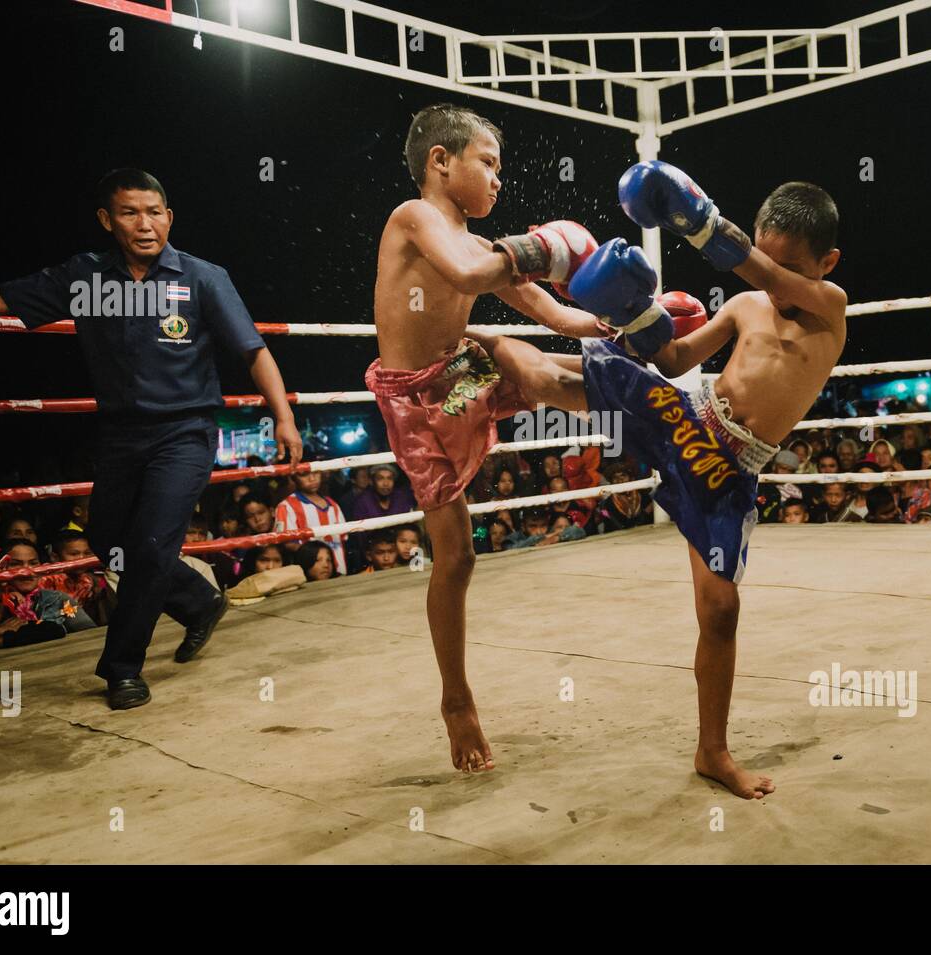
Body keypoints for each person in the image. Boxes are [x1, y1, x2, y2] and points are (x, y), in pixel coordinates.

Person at [486, 169, 847, 798]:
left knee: (721, 611)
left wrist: (698, 220)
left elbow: (766, 275)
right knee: (550, 385)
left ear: (828, 263)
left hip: (729, 472)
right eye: (764, 252)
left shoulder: (830, 307)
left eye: (789, 265)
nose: (771, 274)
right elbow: (678, 360)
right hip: (692, 422)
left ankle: (712, 752)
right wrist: (637, 314)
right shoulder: (744, 306)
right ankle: (480, 343)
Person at [0, 168, 303, 709]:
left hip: (186, 433)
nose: (144, 225)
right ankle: (196, 602)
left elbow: (253, 351)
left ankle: (122, 667)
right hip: (120, 437)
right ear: (107, 220)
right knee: (109, 543)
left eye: (154, 212)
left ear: (169, 217)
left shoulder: (203, 277)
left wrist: (282, 417)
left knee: (148, 547)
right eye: (129, 213)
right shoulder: (86, 277)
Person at [363, 104, 603, 774]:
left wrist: (621, 318)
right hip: (415, 405)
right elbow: (472, 277)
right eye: (488, 163)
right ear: (442, 162)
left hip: (462, 375)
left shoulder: (481, 243)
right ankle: (456, 699)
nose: (499, 179)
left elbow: (562, 314)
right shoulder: (414, 220)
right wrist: (544, 250)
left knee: (525, 354)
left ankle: (651, 395)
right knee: (458, 557)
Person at [274, 466, 348, 575]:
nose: (312, 478)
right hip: (310, 573)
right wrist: (314, 555)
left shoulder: (333, 505)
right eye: (304, 474)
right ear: (293, 477)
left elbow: (343, 538)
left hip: (339, 570)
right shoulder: (286, 506)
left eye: (316, 472)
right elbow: (286, 543)